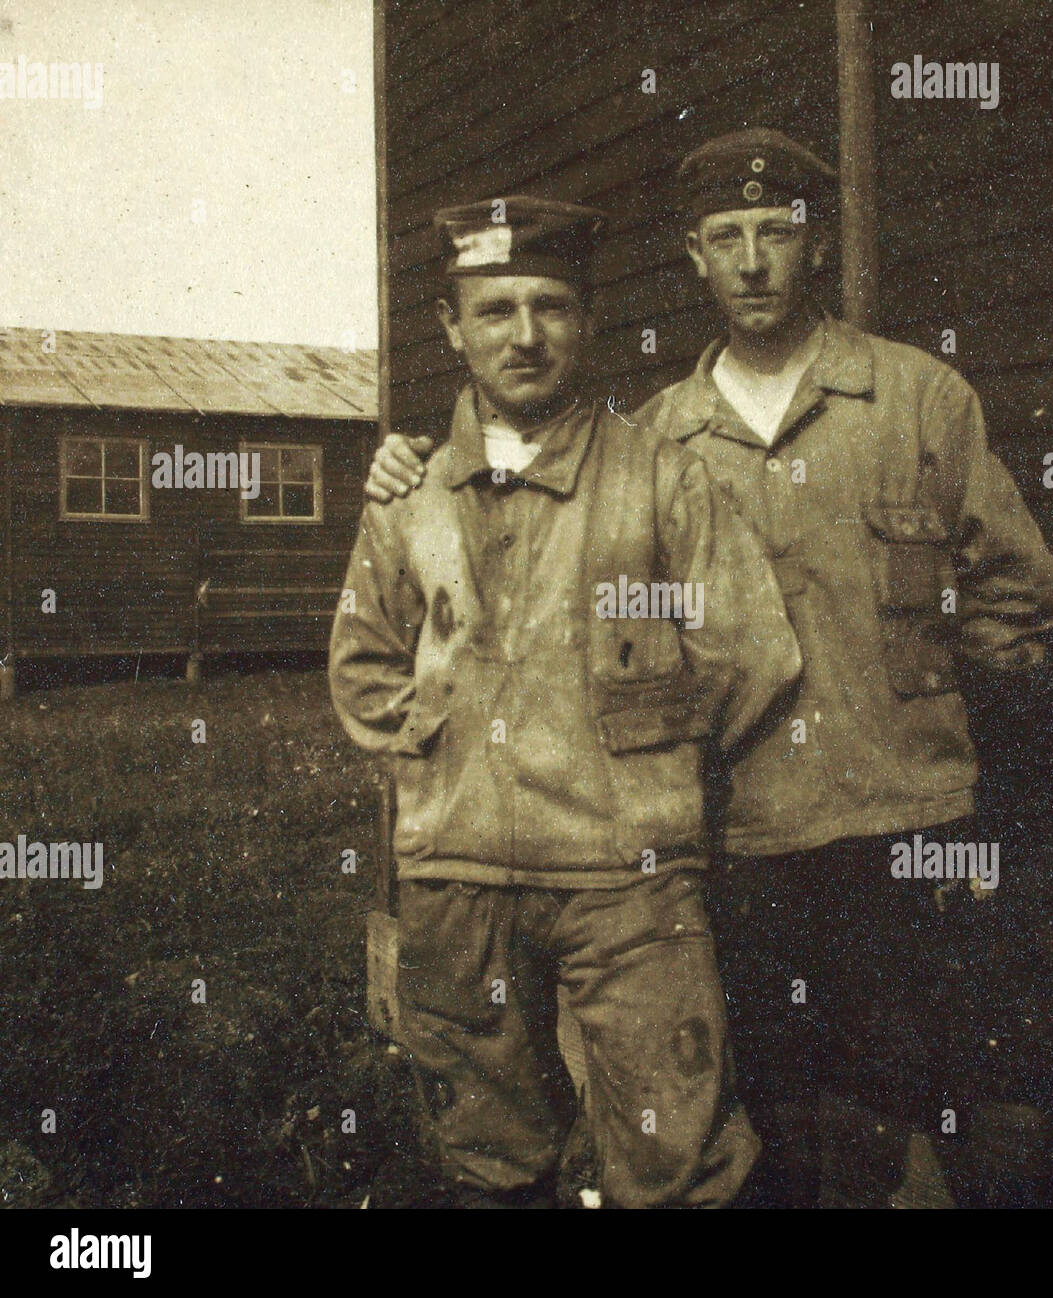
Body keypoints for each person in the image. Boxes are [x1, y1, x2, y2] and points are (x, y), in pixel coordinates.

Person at [362, 134, 1053, 1207]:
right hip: (742, 839)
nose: (752, 262)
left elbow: (1015, 594)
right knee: (766, 1112)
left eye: (775, 233)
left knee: (961, 1093)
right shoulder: (656, 444)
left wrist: (944, 742)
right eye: (725, 239)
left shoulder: (919, 399)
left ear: (813, 245)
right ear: (694, 257)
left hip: (906, 818)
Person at [329, 194, 802, 1208]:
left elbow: (750, 651)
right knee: (486, 1156)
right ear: (453, 327)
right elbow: (365, 665)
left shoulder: (659, 480)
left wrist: (644, 753)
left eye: (550, 306)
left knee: (674, 1152)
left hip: (628, 880)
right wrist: (448, 745)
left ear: (585, 320)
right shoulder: (410, 496)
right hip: (456, 882)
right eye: (494, 310)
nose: (526, 335)